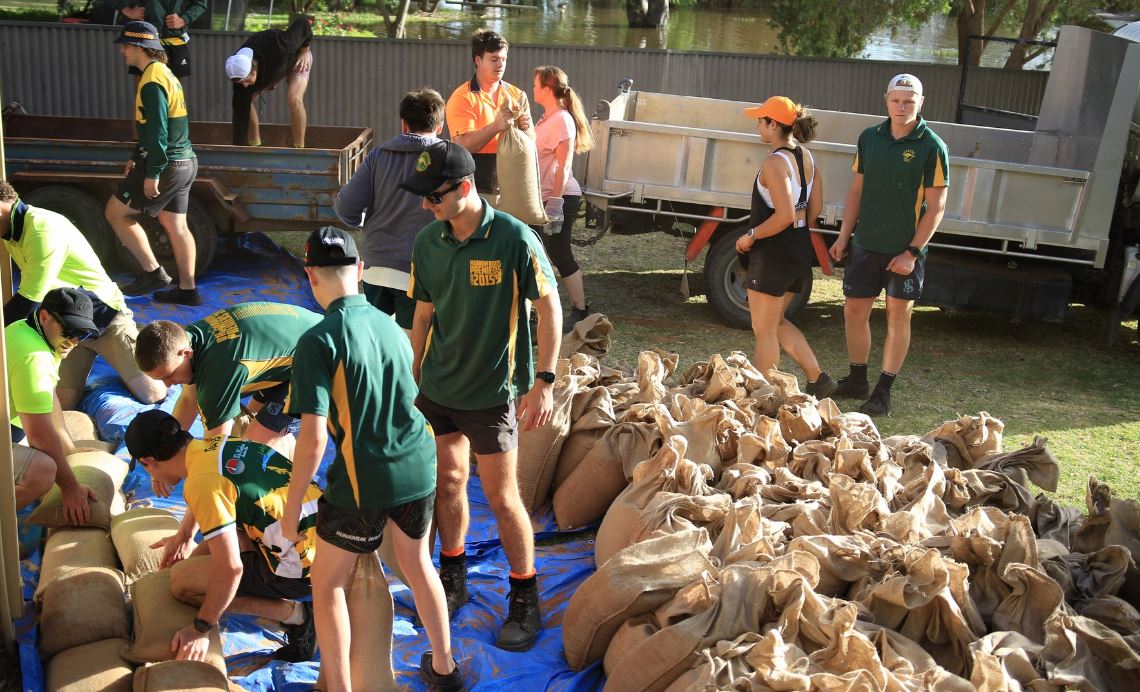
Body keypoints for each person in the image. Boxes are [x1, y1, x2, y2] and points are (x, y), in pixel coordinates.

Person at [281, 227, 463, 691]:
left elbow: (313, 439)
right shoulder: (390, 325)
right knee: (419, 564)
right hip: (420, 466)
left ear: (310, 277)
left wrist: (292, 504)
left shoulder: (318, 341)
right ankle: (445, 668)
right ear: (360, 271)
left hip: (365, 480)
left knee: (327, 585)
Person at [401, 141, 562, 652]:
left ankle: (524, 593)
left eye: (434, 197)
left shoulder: (514, 239)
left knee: (501, 497)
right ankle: (453, 574)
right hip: (438, 391)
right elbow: (422, 316)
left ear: (465, 188)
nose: (427, 205)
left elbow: (551, 308)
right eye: (424, 197)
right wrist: (412, 378)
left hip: (491, 395)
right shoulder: (428, 242)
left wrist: (545, 380)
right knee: (446, 483)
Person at [124, 409, 317, 663]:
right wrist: (184, 539)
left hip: (305, 570)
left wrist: (200, 628)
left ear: (148, 461)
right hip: (327, 539)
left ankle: (297, 615)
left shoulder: (201, 483)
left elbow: (230, 569)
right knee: (197, 559)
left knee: (181, 583)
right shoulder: (221, 444)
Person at [828, 74, 949, 416]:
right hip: (866, 244)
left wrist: (911, 253)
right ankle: (857, 380)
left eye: (909, 101)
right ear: (886, 100)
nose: (901, 107)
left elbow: (937, 207)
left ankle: (883, 391)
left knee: (898, 316)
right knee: (853, 311)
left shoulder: (933, 146)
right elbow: (856, 191)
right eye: (896, 100)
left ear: (920, 103)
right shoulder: (869, 138)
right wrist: (843, 236)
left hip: (905, 251)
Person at [0, 181, 166, 409]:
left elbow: (27, 302)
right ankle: (108, 386)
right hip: (68, 328)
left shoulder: (41, 230)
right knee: (62, 405)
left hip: (106, 320)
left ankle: (131, 366)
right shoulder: (11, 229)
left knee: (152, 395)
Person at [733, 97, 836, 399]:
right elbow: (813, 209)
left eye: (761, 120)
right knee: (776, 322)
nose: (757, 125)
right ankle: (818, 378)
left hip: (772, 255)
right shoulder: (807, 157)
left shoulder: (775, 162)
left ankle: (764, 396)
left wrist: (750, 236)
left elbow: (784, 215)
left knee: (763, 329)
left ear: (773, 125)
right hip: (799, 251)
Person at [133, 302, 322, 466]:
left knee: (249, 445)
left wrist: (173, 469)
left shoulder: (217, 370)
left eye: (170, 375)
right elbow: (188, 399)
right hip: (299, 351)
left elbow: (217, 446)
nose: (168, 386)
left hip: (327, 362)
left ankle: (292, 486)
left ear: (186, 353)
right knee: (245, 426)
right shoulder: (190, 338)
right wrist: (164, 453)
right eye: (161, 380)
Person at [104, 21, 201, 306]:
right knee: (176, 224)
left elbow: (158, 130)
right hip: (186, 161)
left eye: (126, 45)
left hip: (167, 163)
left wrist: (153, 172)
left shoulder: (151, 80)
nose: (122, 51)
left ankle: (153, 273)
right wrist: (136, 158)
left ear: (139, 47)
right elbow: (154, 129)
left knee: (116, 213)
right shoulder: (164, 72)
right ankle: (188, 290)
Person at [333, 88, 443, 336]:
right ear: (440, 126)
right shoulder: (446, 159)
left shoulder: (378, 156)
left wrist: (361, 222)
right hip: (418, 273)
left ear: (403, 124)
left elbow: (345, 206)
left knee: (375, 346)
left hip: (375, 266)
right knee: (410, 352)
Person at [5, 288, 100, 524]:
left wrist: (70, 450)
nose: (75, 341)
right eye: (69, 330)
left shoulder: (28, 330)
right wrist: (70, 486)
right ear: (45, 316)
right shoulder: (35, 357)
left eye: (83, 334)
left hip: (9, 432)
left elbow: (49, 398)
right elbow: (38, 434)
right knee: (43, 470)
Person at [531, 65, 595, 332]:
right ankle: (536, 310)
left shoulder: (562, 120)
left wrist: (555, 202)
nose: (533, 89)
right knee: (532, 251)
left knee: (559, 252)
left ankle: (580, 310)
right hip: (542, 198)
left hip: (559, 197)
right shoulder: (545, 119)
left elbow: (564, 164)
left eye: (536, 85)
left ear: (547, 89)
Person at [445, 29, 532, 195]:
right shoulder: (462, 97)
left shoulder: (518, 95)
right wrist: (496, 126)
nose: (500, 65)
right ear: (478, 60)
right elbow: (462, 146)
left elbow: (532, 143)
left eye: (504, 59)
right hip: (475, 188)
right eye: (494, 59)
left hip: (513, 185)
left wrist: (526, 130)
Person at [225, 15, 314, 148]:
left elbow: (302, 22)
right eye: (240, 82)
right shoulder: (239, 77)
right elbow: (240, 121)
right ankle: (255, 147)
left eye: (246, 79)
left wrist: (305, 49)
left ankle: (299, 149)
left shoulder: (282, 46)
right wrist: (238, 150)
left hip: (296, 58)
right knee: (244, 101)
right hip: (272, 71)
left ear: (254, 67)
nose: (244, 84)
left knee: (294, 99)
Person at [106, 0, 207, 78]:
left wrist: (184, 19)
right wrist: (127, 10)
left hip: (174, 41)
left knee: (173, 95)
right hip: (143, 40)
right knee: (143, 95)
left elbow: (200, 3)